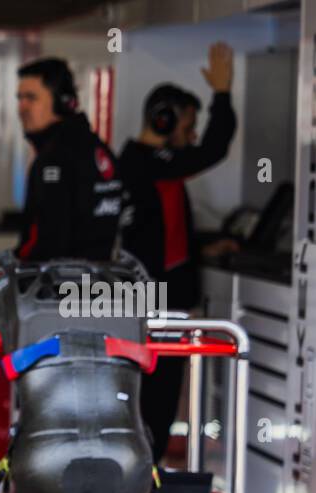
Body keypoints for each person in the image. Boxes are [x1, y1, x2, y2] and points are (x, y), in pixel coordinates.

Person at [120, 43, 237, 464]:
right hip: (152, 307)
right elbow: (212, 150)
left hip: (158, 305)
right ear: (163, 120)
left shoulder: (150, 168)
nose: (191, 137)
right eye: (188, 125)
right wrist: (223, 94)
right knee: (150, 407)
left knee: (156, 408)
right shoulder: (145, 163)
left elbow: (155, 230)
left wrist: (203, 247)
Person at [14, 57, 123, 261]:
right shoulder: (98, 149)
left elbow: (48, 240)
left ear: (62, 102)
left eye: (31, 98)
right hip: (98, 284)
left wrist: (15, 264)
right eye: (19, 98)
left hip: (57, 286)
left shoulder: (54, 158)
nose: (22, 107)